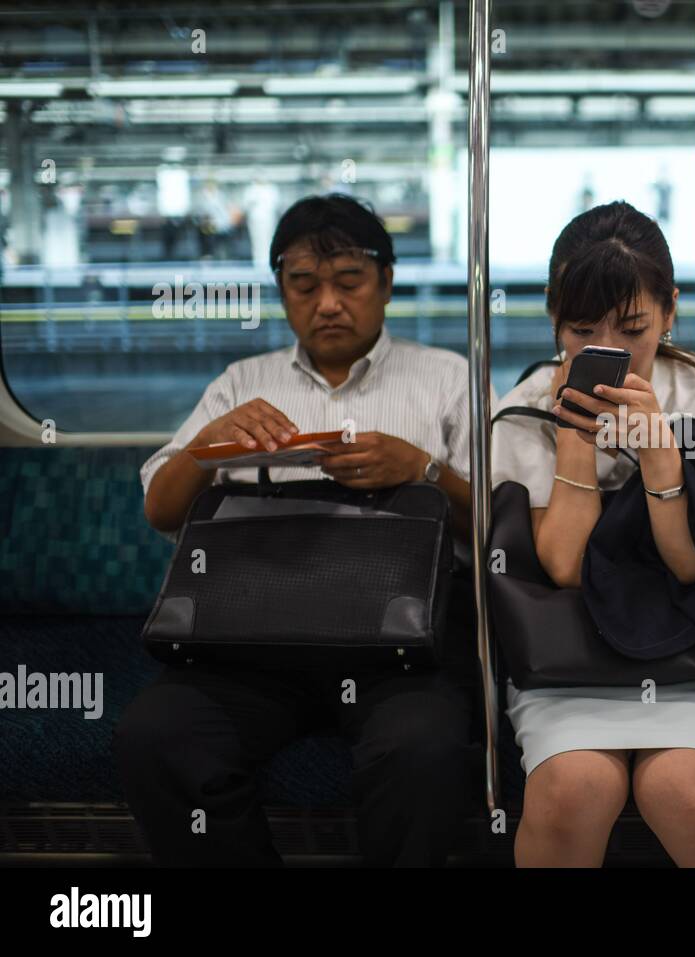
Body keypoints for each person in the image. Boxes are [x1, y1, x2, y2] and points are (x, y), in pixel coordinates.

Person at [114, 194, 493, 866]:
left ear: (386, 282)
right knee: (157, 734)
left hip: (398, 647)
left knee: (421, 750)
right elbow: (162, 512)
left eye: (348, 282)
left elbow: (500, 526)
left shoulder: (450, 381)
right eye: (303, 285)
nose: (327, 304)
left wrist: (422, 468)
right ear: (281, 290)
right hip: (253, 644)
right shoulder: (241, 384)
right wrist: (207, 449)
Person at [492, 201, 695, 867]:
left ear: (671, 310)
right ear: (553, 316)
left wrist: (661, 455)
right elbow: (563, 564)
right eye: (583, 329)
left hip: (692, 652)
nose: (611, 353)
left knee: (686, 790)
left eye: (633, 329)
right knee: (571, 790)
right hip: (567, 657)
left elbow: (690, 565)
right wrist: (572, 434)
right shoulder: (521, 410)